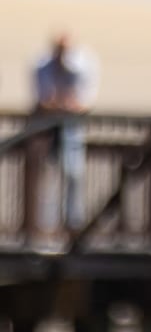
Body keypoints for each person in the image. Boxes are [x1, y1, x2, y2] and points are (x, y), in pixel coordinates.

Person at [31, 32, 99, 232]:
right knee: (47, 173)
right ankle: (46, 224)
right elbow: (43, 101)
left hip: (72, 127)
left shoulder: (82, 65)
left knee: (73, 172)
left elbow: (82, 102)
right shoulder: (42, 66)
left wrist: (62, 105)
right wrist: (59, 105)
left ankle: (72, 222)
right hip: (46, 128)